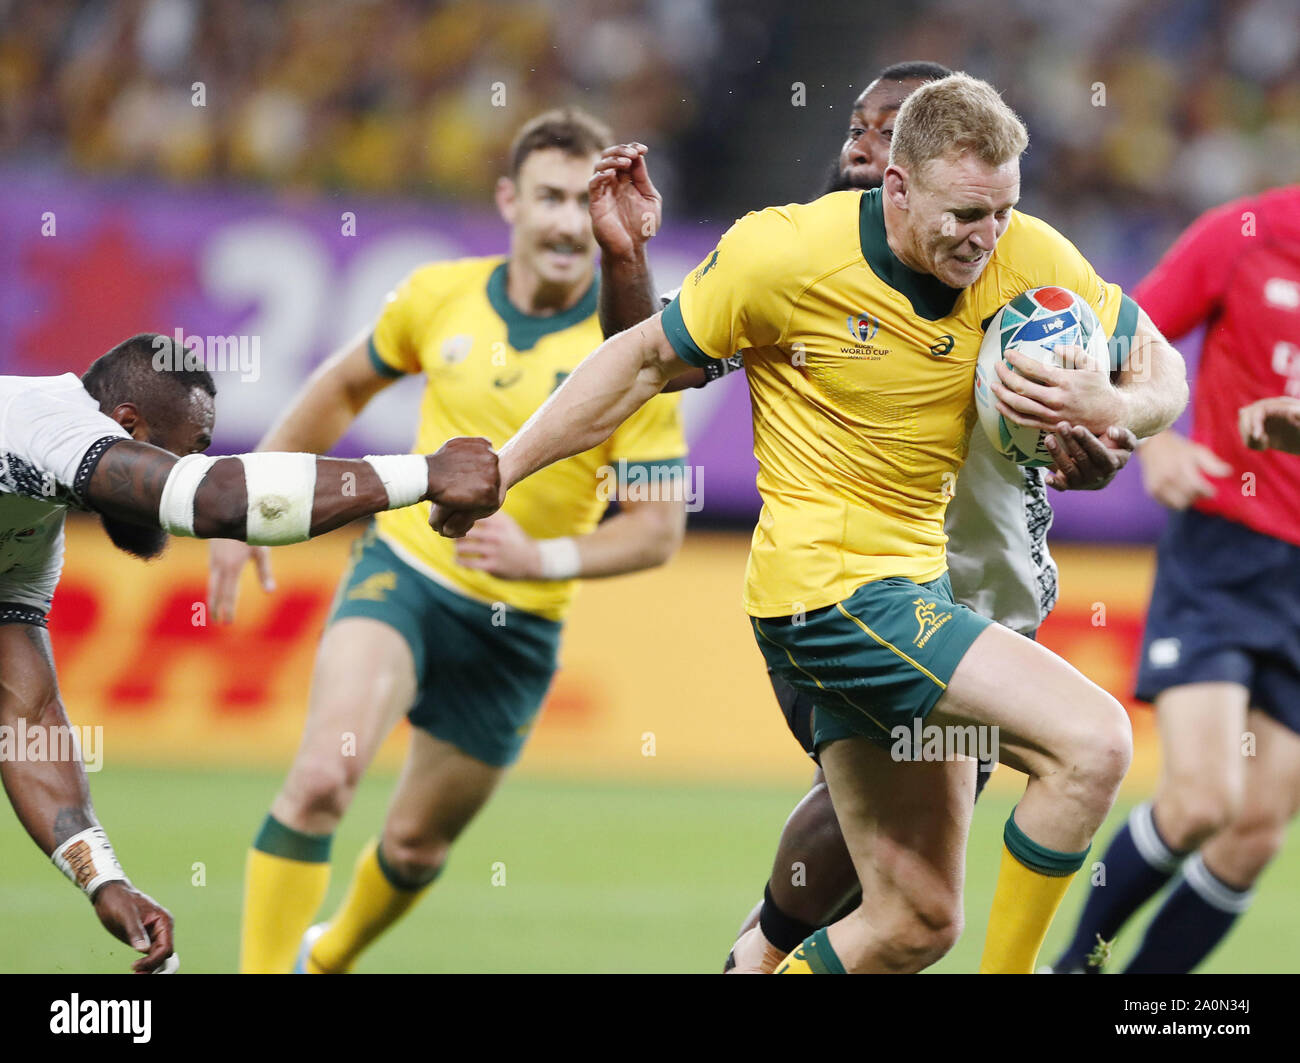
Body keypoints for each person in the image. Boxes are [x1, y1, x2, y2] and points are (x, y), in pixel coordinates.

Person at [436, 73, 1190, 974]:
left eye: (1001, 212)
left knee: (913, 921)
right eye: (963, 215)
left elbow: (1162, 368)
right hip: (830, 595)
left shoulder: (1026, 255)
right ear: (898, 187)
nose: (985, 238)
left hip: (926, 595)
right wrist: (504, 468)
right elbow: (640, 361)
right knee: (1094, 744)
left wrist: (1117, 408)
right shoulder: (786, 255)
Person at [210, 109, 687, 975]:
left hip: (518, 628)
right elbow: (341, 386)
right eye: (548, 197)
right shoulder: (438, 295)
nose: (566, 222)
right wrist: (246, 500)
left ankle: (326, 958)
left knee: (416, 846)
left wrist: (541, 559)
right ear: (509, 200)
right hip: (405, 576)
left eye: (582, 202)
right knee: (321, 780)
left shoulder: (630, 353)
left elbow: (658, 531)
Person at [0, 334, 498, 972]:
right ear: (126, 426)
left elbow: (29, 720)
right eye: (189, 451)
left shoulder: (28, 529)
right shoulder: (43, 422)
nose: (191, 467)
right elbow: (220, 501)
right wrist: (425, 475)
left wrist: (103, 879)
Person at [1051, 184, 1300, 973]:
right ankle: (1071, 966)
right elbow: (1129, 334)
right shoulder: (1247, 234)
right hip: (1225, 549)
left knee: (1255, 832)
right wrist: (1153, 442)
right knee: (1201, 802)